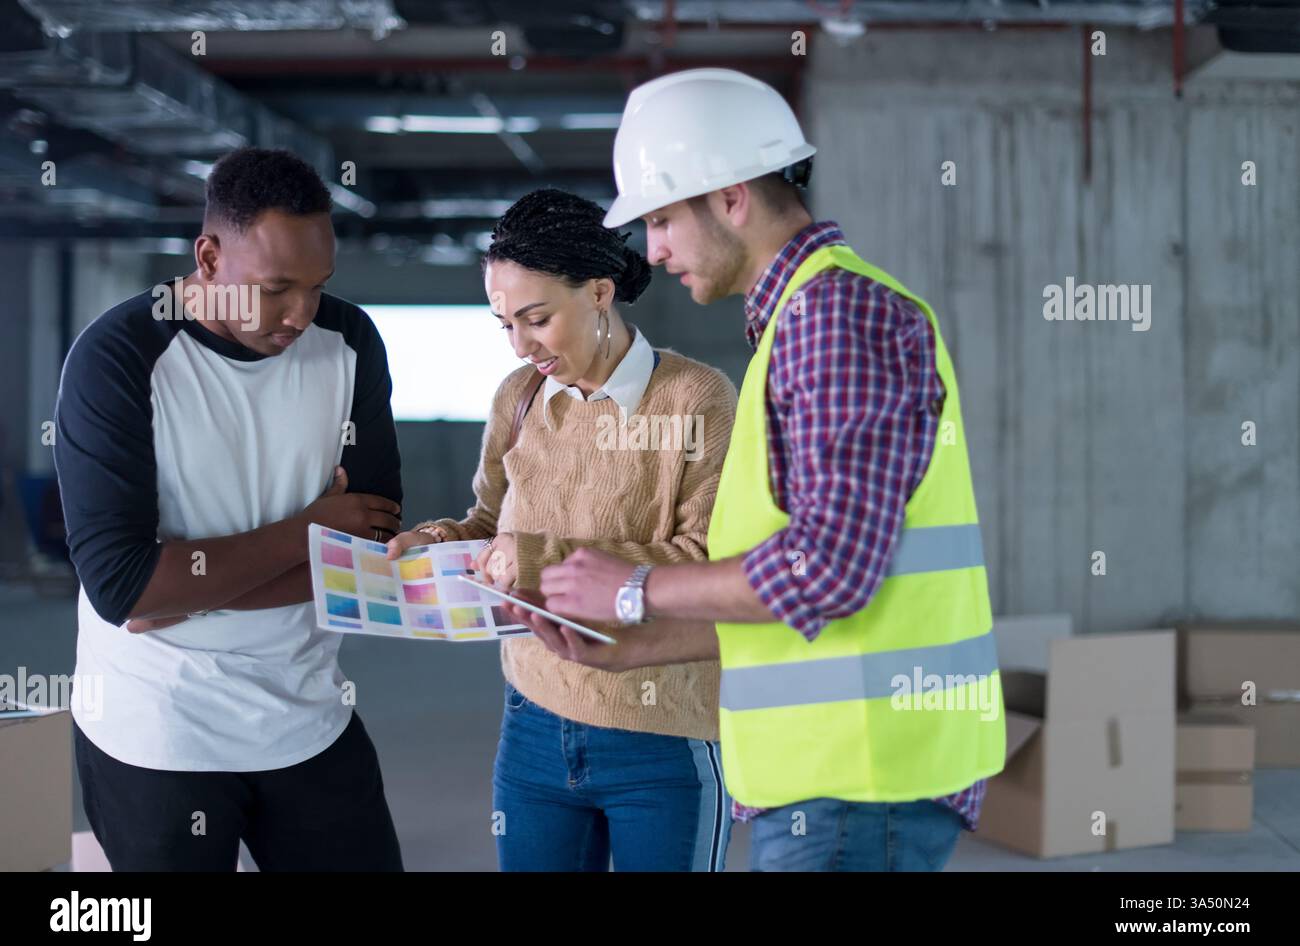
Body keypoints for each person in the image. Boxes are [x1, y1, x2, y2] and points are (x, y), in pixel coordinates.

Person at [507, 69, 1006, 872]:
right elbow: (803, 592)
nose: (655, 249)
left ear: (731, 196)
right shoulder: (797, 323)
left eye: (664, 218)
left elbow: (831, 568)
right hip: (837, 780)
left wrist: (631, 588)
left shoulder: (834, 317)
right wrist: (645, 645)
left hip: (859, 780)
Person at [54, 146, 405, 871]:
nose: (300, 313)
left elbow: (372, 540)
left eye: (316, 286)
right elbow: (125, 590)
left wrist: (184, 586)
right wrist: (311, 530)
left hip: (306, 711)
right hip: (158, 727)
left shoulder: (349, 342)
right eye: (276, 287)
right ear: (209, 257)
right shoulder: (117, 360)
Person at [385, 188, 736, 872]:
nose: (521, 344)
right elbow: (488, 523)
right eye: (504, 324)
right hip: (533, 724)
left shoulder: (698, 398)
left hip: (658, 727)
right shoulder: (517, 397)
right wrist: (434, 539)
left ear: (600, 292)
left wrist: (540, 560)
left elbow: (707, 562)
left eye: (537, 318)